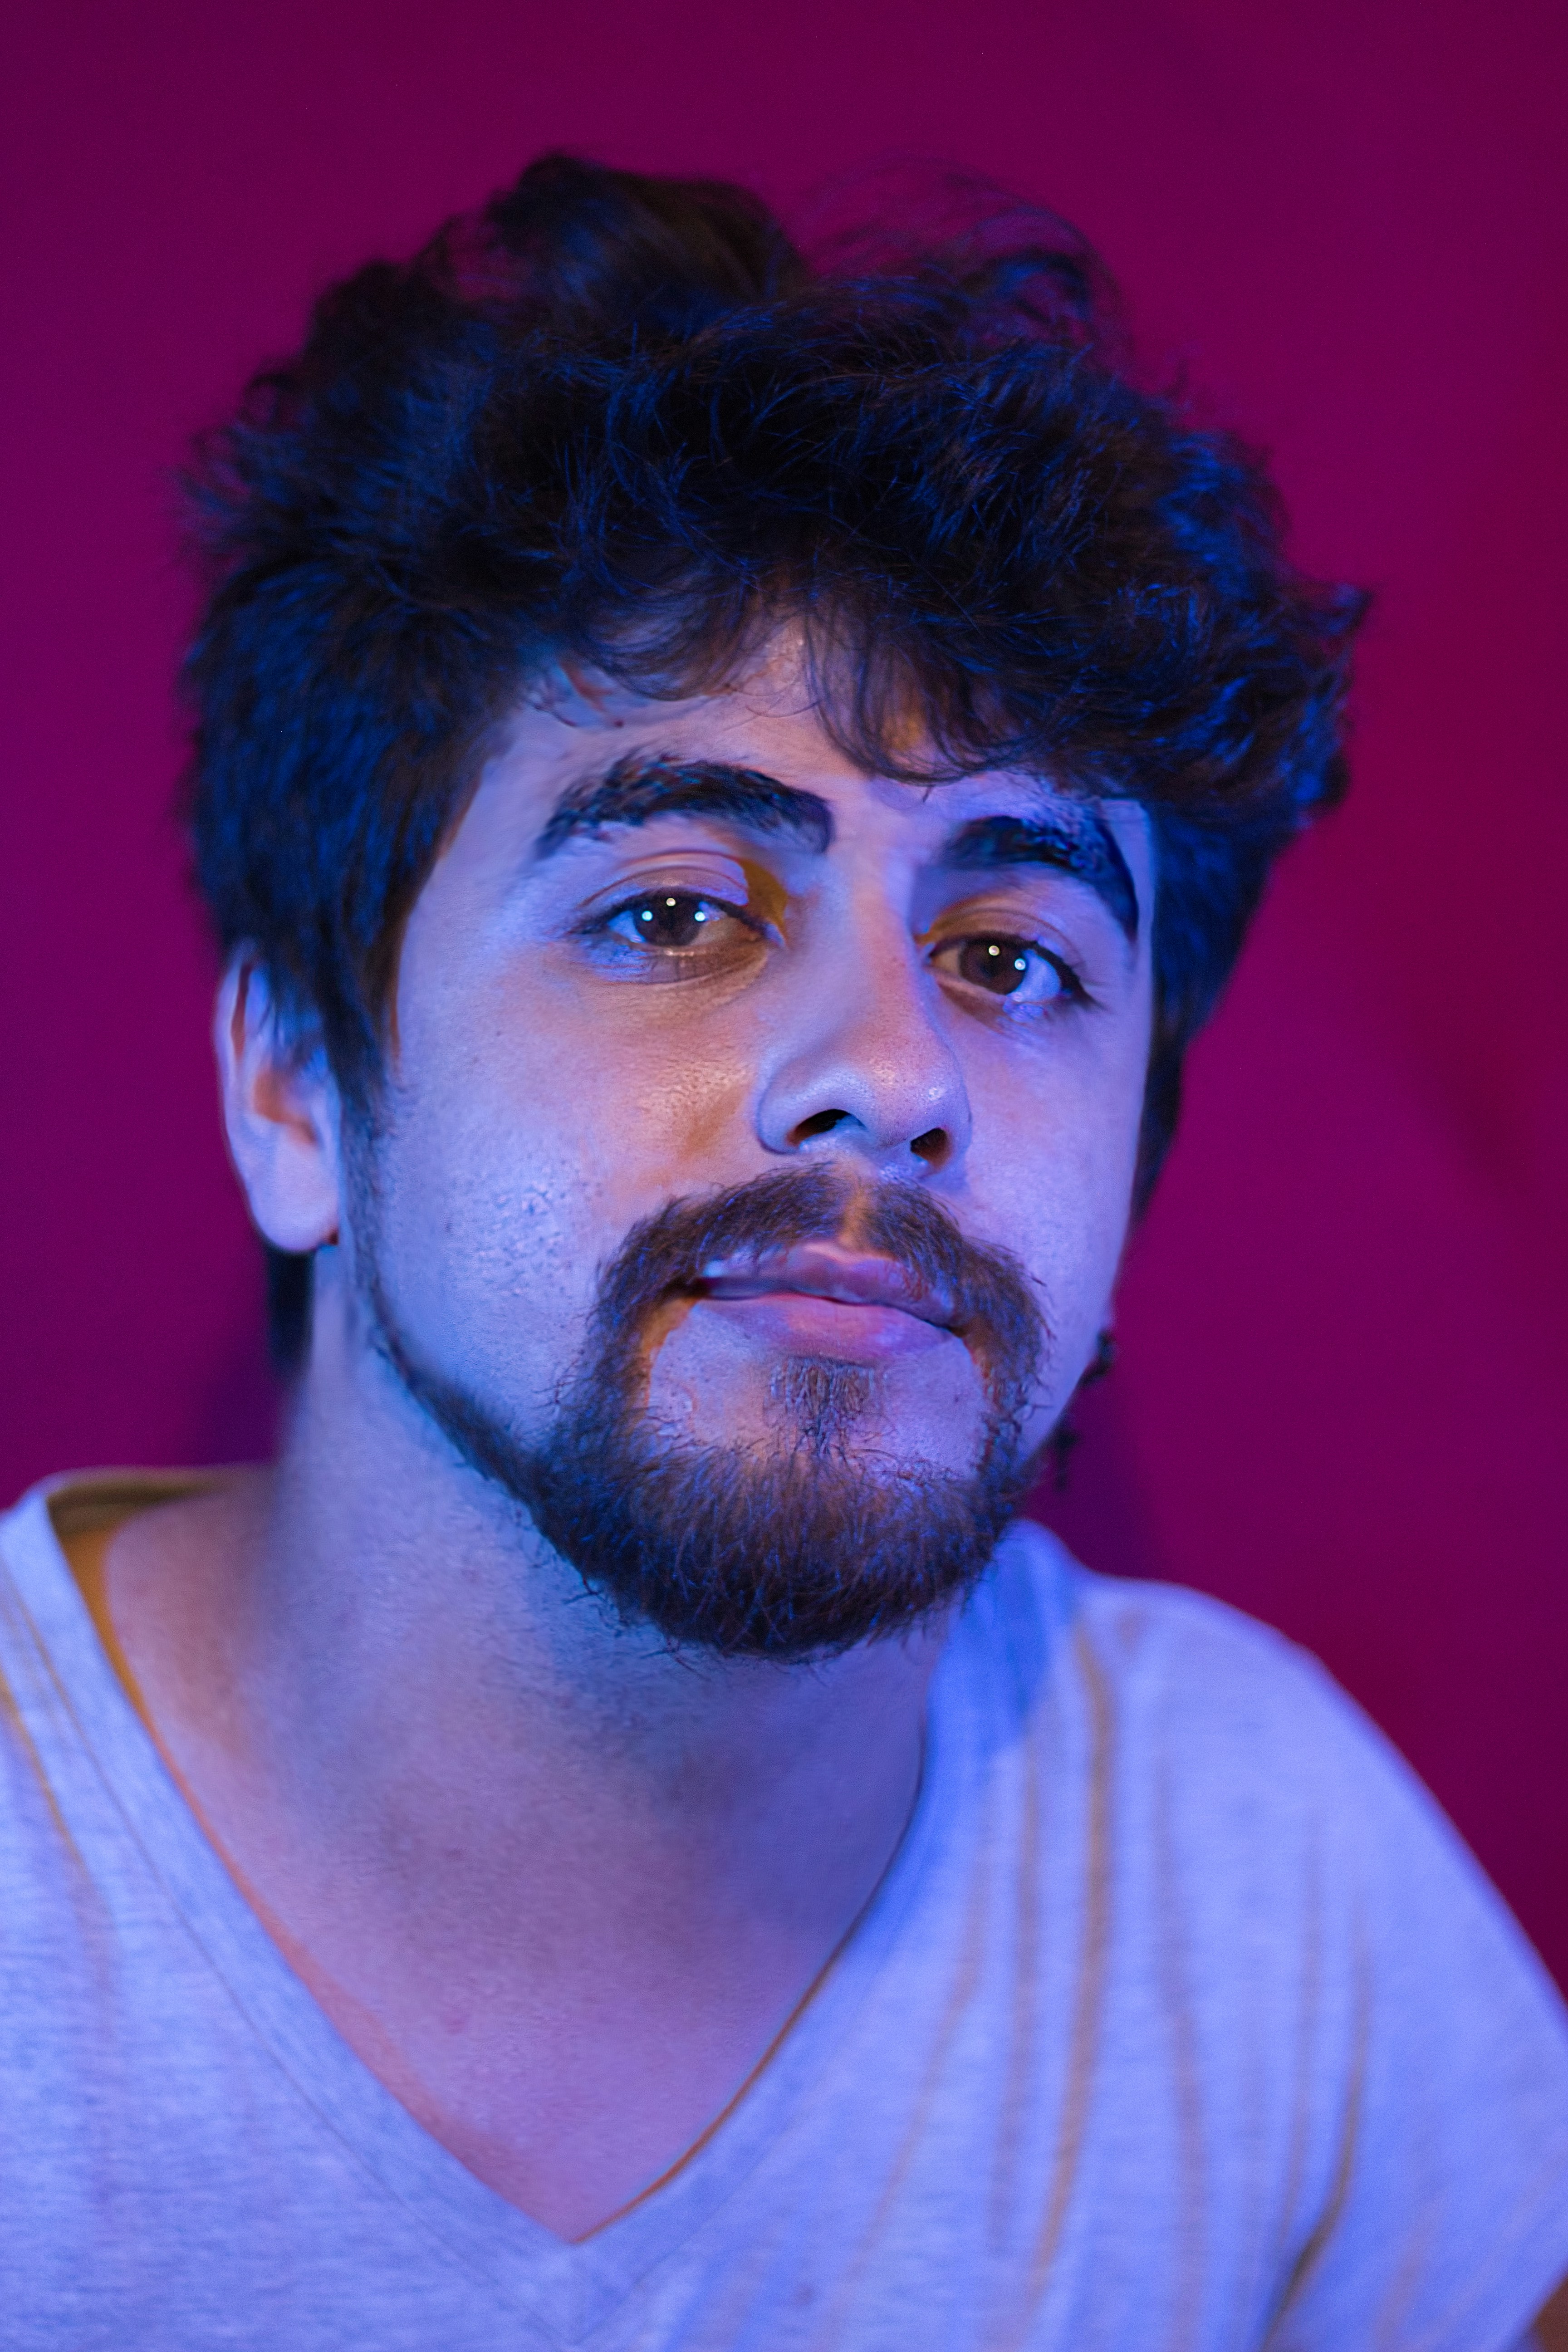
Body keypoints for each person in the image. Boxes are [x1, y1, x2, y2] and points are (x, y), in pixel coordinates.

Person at [1, 152, 1564, 2350]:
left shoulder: (1258, 1880)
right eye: (672, 911)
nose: (891, 1067)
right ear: (293, 1089)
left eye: (1016, 956)